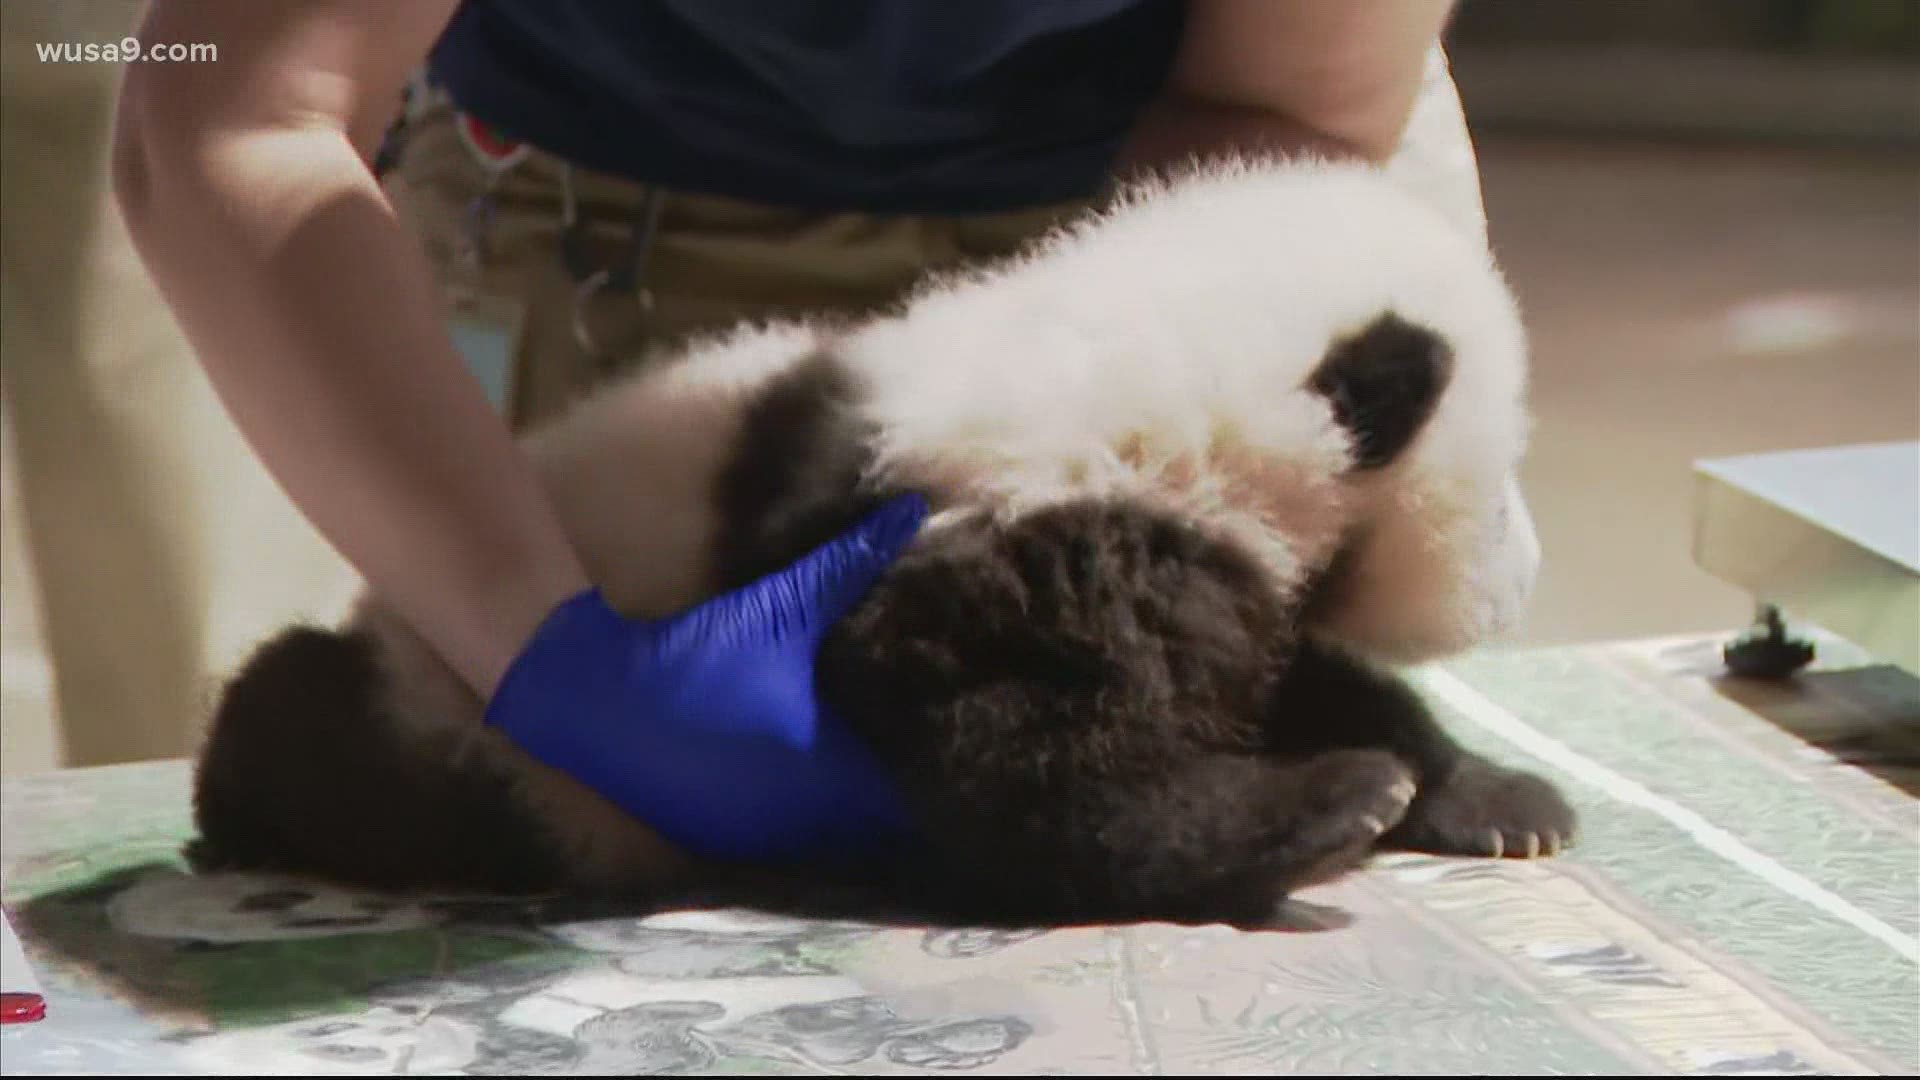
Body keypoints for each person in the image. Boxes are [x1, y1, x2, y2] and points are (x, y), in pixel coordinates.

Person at [110, 1, 1465, 863]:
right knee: (555, 873)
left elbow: (1280, 110)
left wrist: (1150, 459)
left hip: (1151, 181)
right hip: (616, 215)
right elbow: (237, 108)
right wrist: (547, 652)